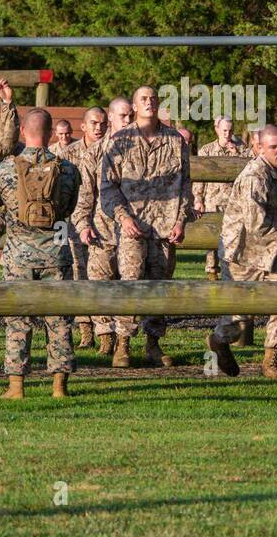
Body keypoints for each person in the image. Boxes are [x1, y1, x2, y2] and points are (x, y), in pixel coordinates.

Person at [0, 109, 81, 399]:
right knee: (60, 320)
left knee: (18, 320)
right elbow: (70, 209)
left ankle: (16, 388)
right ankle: (59, 387)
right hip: (58, 252)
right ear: (52, 133)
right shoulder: (68, 170)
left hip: (18, 255)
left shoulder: (4, 170)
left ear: (22, 132)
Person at [99, 85, 195, 368]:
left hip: (165, 228)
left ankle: (153, 344)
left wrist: (180, 221)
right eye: (144, 99)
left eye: (153, 98)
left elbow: (186, 184)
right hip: (133, 225)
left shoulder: (176, 140)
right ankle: (123, 344)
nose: (149, 102)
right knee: (130, 284)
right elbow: (107, 186)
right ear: (135, 105)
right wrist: (123, 218)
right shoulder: (119, 140)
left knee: (159, 287)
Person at [207, 124, 277, 378]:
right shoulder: (253, 177)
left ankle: (271, 360)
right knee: (238, 318)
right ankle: (218, 341)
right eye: (274, 147)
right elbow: (256, 223)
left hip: (273, 249)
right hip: (243, 253)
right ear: (259, 148)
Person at [71, 97, 133, 358]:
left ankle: (124, 342)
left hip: (134, 230)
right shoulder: (95, 153)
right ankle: (105, 337)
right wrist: (83, 224)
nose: (128, 121)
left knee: (130, 286)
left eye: (131, 116)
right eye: (123, 116)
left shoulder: (138, 147)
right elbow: (85, 194)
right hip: (102, 229)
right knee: (99, 284)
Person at [60, 106, 107, 347]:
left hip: (105, 224)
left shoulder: (112, 150)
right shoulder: (69, 154)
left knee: (104, 275)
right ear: (83, 126)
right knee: (79, 272)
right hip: (75, 224)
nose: (99, 128)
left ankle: (105, 332)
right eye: (94, 123)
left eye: (102, 123)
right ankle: (85, 329)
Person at [193, 116, 251, 281]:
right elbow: (199, 177)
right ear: (216, 129)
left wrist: (236, 155)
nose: (227, 134)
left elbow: (251, 171)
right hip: (213, 201)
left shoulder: (242, 149)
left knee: (236, 238)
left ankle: (234, 274)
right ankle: (212, 275)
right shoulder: (207, 150)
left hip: (236, 203)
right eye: (224, 130)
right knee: (212, 240)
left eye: (230, 130)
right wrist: (198, 199)